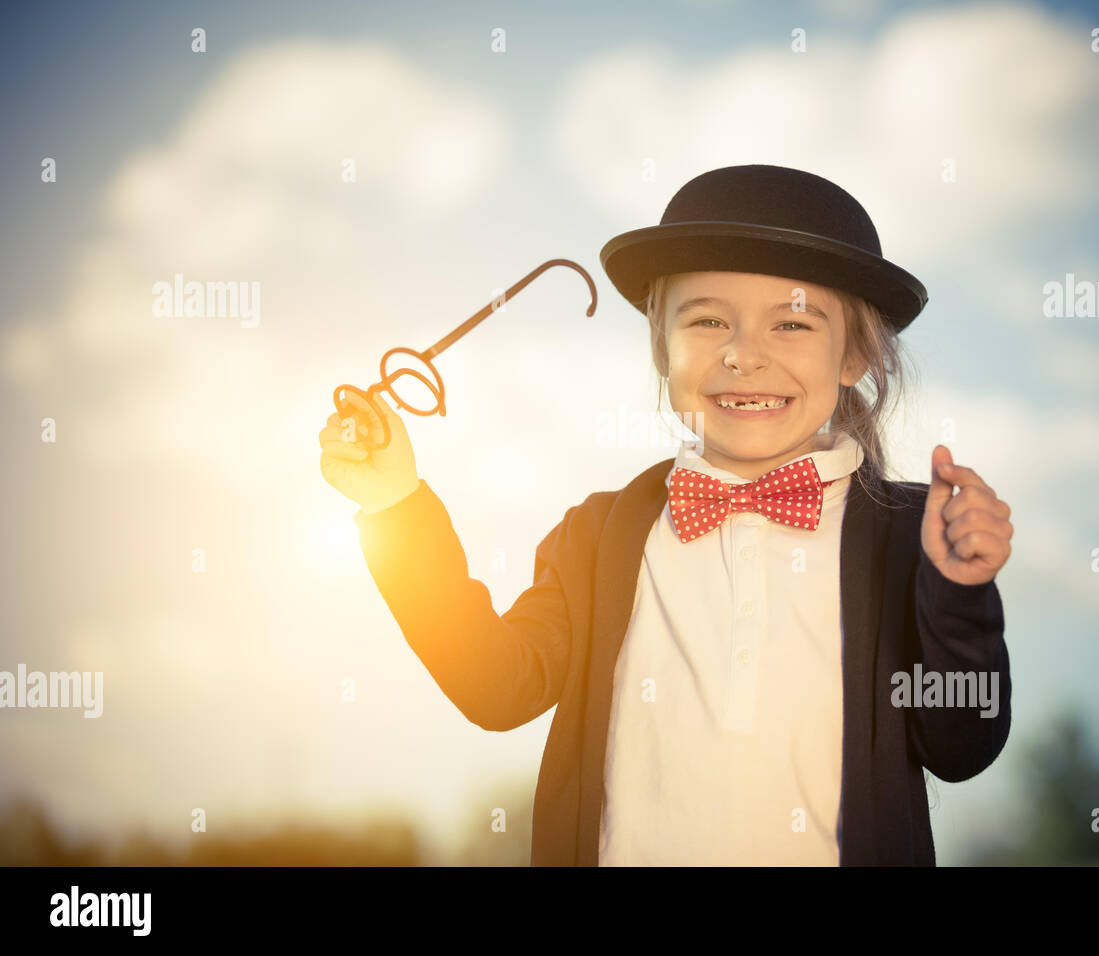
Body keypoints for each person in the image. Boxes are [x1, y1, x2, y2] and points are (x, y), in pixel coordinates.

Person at [318, 164, 1015, 865]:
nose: (744, 354)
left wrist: (958, 596)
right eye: (708, 320)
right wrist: (397, 507)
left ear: (854, 354)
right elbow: (496, 687)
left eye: (793, 322)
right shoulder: (596, 536)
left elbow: (961, 747)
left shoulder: (917, 539)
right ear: (661, 344)